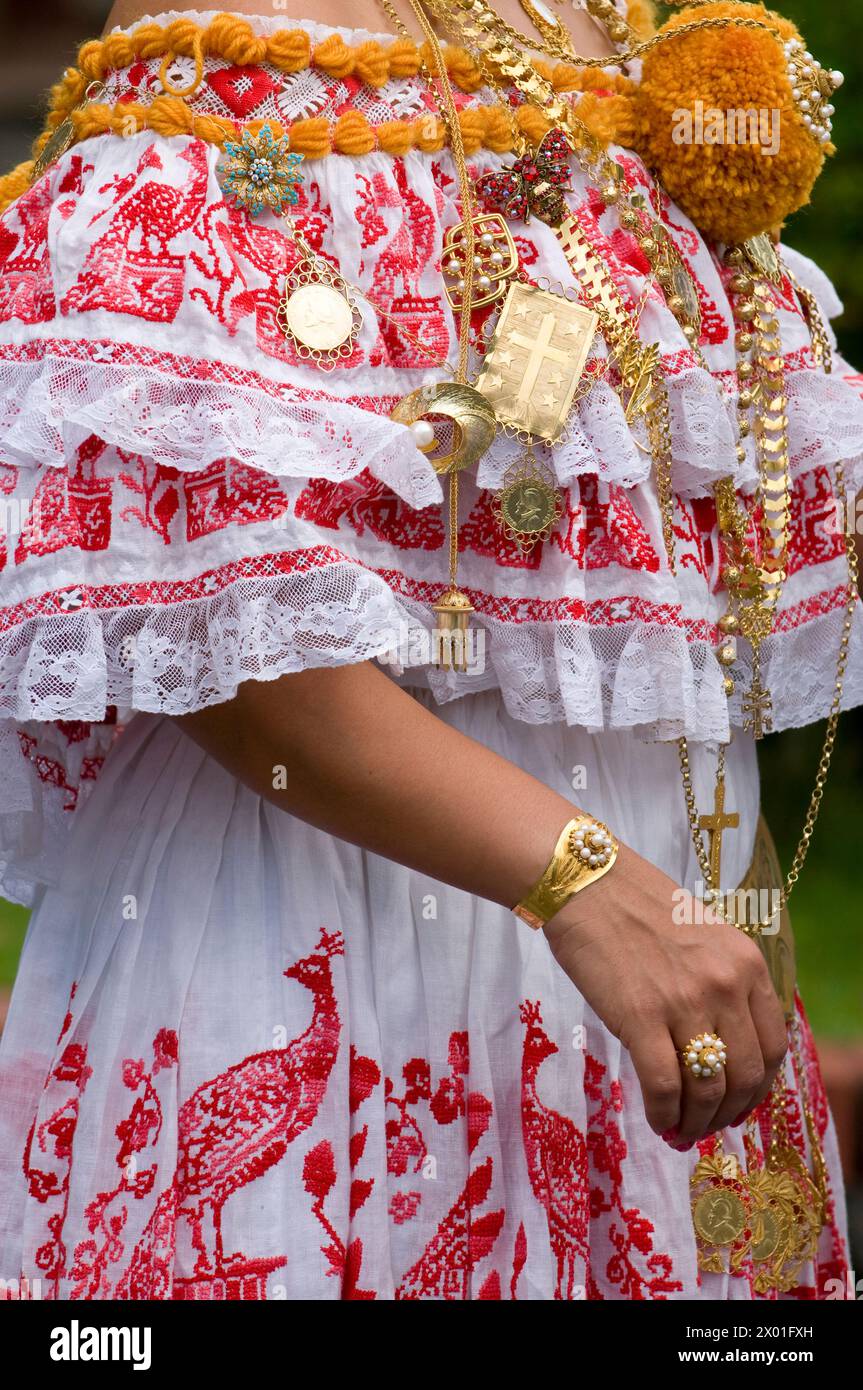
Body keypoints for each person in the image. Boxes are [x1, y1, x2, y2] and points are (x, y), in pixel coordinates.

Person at [0, 0, 858, 1300]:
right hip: (341, 932)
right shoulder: (260, 25)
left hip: (661, 963)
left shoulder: (609, 29)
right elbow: (219, 617)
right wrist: (586, 884)